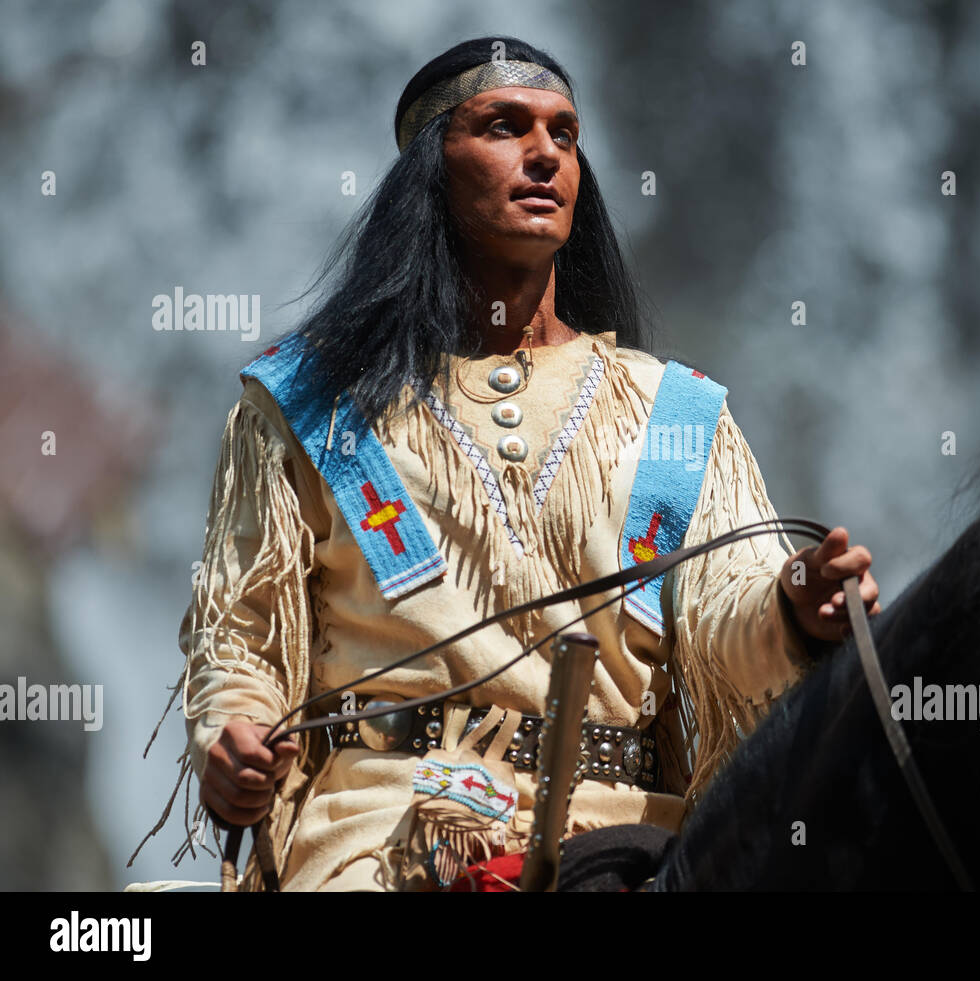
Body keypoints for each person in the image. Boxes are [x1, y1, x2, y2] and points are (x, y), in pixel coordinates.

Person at [162, 36, 881, 891]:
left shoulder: (673, 411)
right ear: (431, 172)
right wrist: (232, 737)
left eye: (566, 135)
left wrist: (794, 606)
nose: (545, 154)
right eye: (504, 127)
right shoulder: (311, 402)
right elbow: (241, 635)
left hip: (625, 835)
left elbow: (734, 606)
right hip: (380, 833)